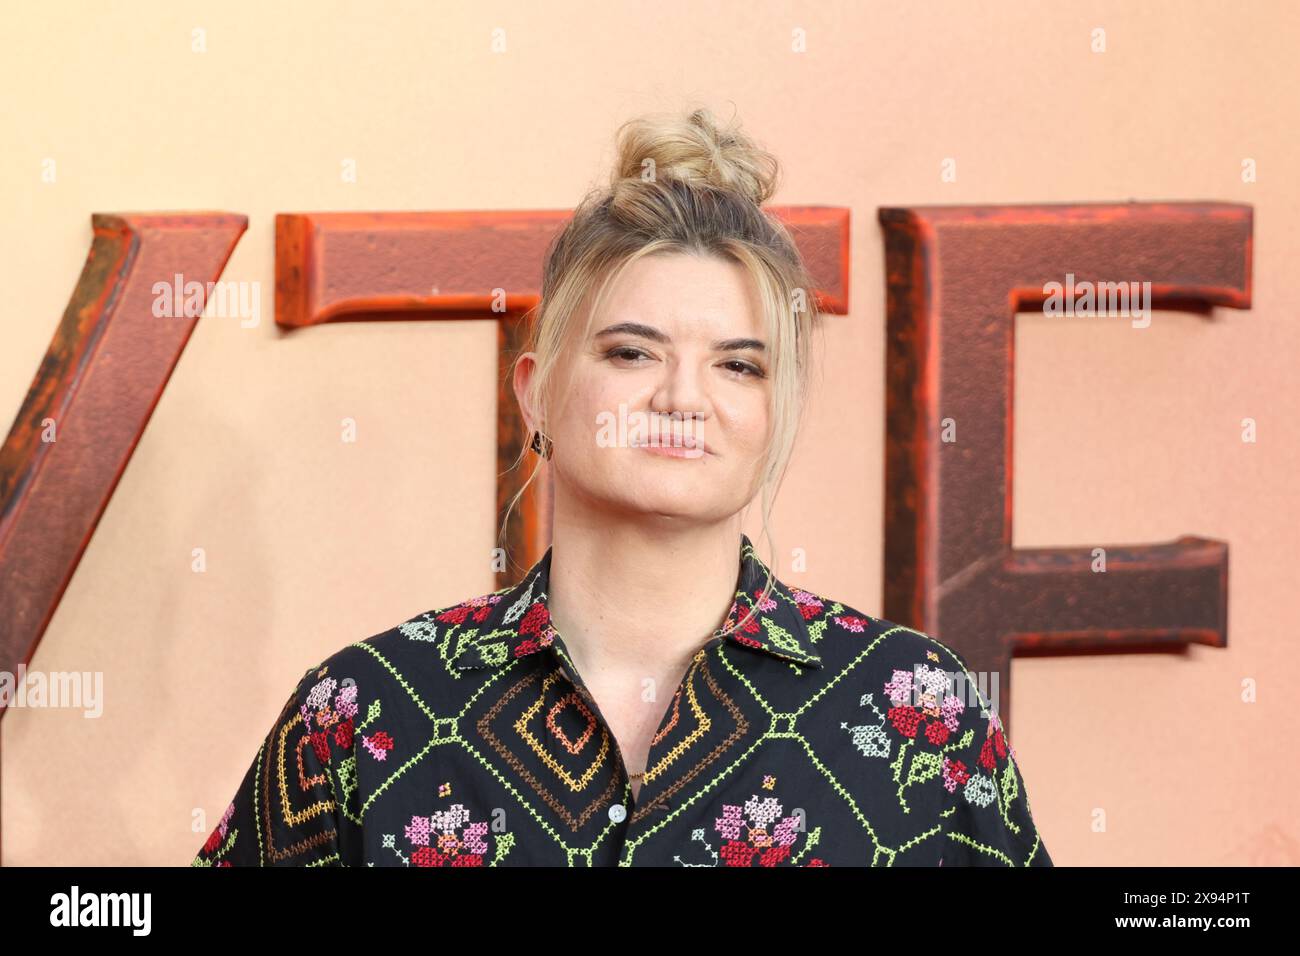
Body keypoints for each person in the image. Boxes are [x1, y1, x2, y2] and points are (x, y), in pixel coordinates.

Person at [192, 107, 1051, 867]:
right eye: (631, 352)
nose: (684, 398)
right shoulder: (370, 708)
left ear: (776, 409)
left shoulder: (915, 709)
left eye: (739, 366)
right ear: (535, 390)